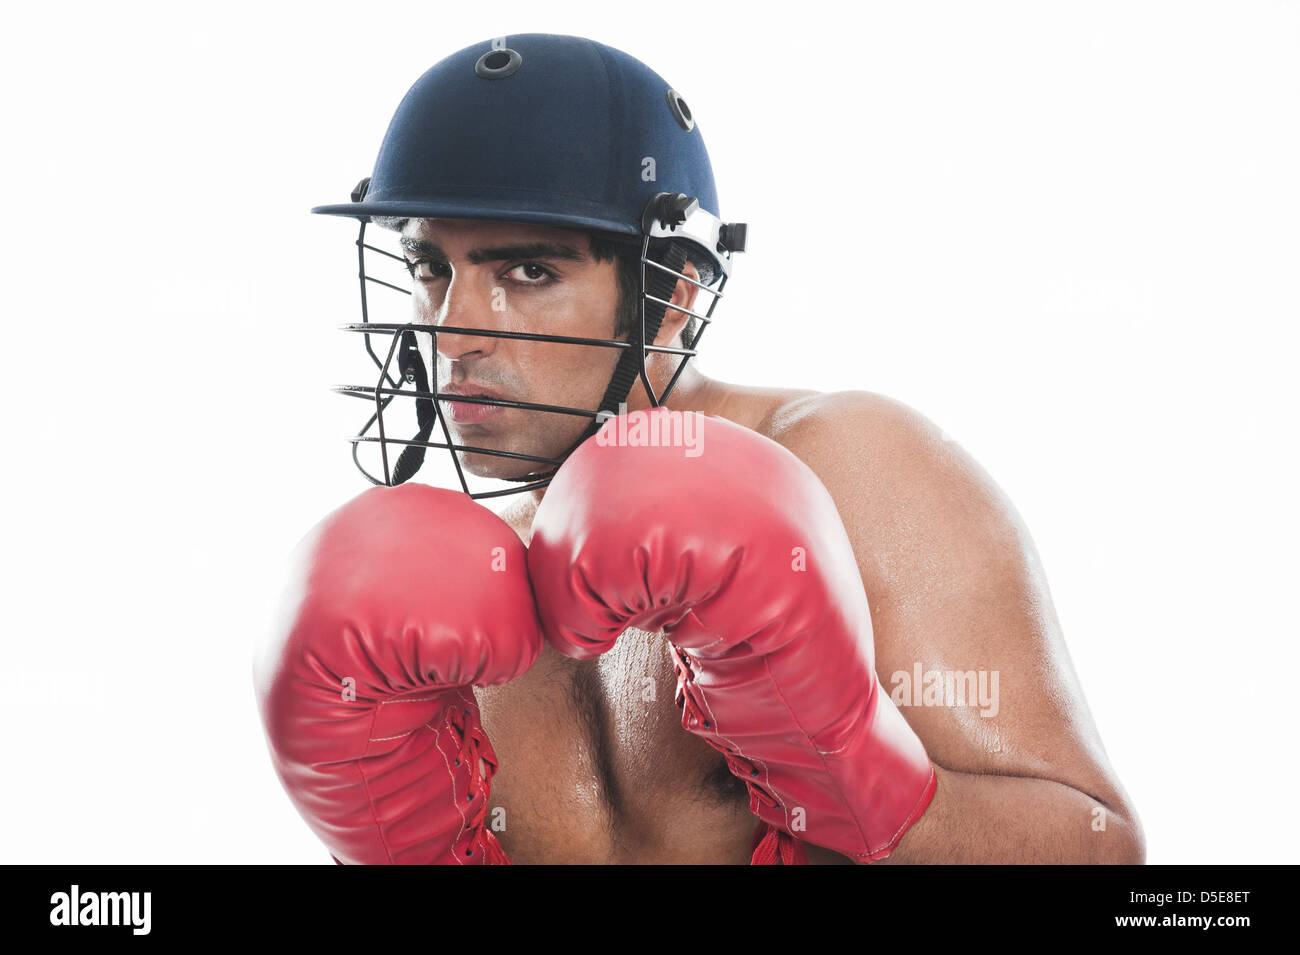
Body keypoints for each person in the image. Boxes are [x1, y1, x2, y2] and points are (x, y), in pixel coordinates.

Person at [255, 33, 1144, 865]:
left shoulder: (847, 467)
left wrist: (871, 780)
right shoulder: (426, 600)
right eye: (431, 270)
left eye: (528, 272)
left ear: (671, 294)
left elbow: (1101, 849)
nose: (453, 334)